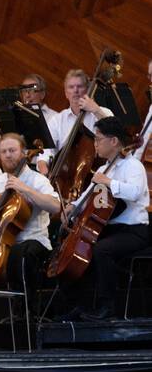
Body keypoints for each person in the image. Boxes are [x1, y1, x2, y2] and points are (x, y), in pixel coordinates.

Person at [58, 117, 149, 321]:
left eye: (98, 139)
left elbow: (134, 193)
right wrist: (72, 209)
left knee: (101, 249)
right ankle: (79, 304)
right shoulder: (102, 169)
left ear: (114, 141)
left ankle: (107, 306)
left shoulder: (133, 166)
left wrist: (108, 181)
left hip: (134, 230)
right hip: (108, 228)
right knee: (77, 248)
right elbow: (89, 198)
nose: (95, 144)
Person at [0, 133, 59, 298]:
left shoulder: (37, 180)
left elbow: (55, 206)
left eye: (12, 150)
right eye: (3, 151)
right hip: (1, 243)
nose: (8, 155)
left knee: (21, 252)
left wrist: (25, 189)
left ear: (24, 153)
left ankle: (26, 309)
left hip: (32, 242)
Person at [42, 68, 114, 172]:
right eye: (71, 87)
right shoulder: (57, 120)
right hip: (64, 175)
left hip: (97, 172)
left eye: (80, 86)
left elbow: (115, 134)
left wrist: (96, 110)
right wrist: (44, 170)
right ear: (66, 93)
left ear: (88, 90)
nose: (75, 91)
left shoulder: (103, 112)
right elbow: (46, 152)